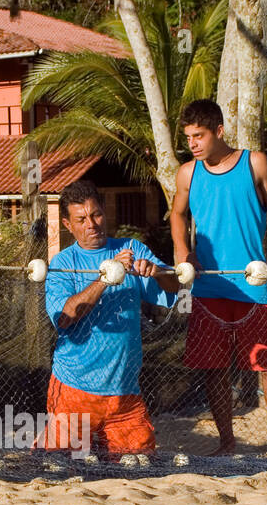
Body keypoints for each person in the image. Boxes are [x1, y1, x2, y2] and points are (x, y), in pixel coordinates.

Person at [170, 99, 267, 457]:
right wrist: (183, 253)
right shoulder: (187, 173)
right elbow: (176, 215)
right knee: (214, 370)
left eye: (199, 136)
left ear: (219, 131)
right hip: (209, 287)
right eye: (188, 138)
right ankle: (227, 444)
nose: (193, 144)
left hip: (255, 286)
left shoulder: (255, 162)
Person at [40, 180, 180, 457]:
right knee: (60, 465)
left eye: (96, 214)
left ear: (105, 212)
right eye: (81, 219)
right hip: (74, 388)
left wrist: (158, 271)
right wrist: (106, 277)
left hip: (124, 393)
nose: (91, 224)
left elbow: (174, 287)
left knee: (139, 464)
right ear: (69, 225)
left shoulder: (132, 248)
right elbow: (66, 317)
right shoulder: (62, 263)